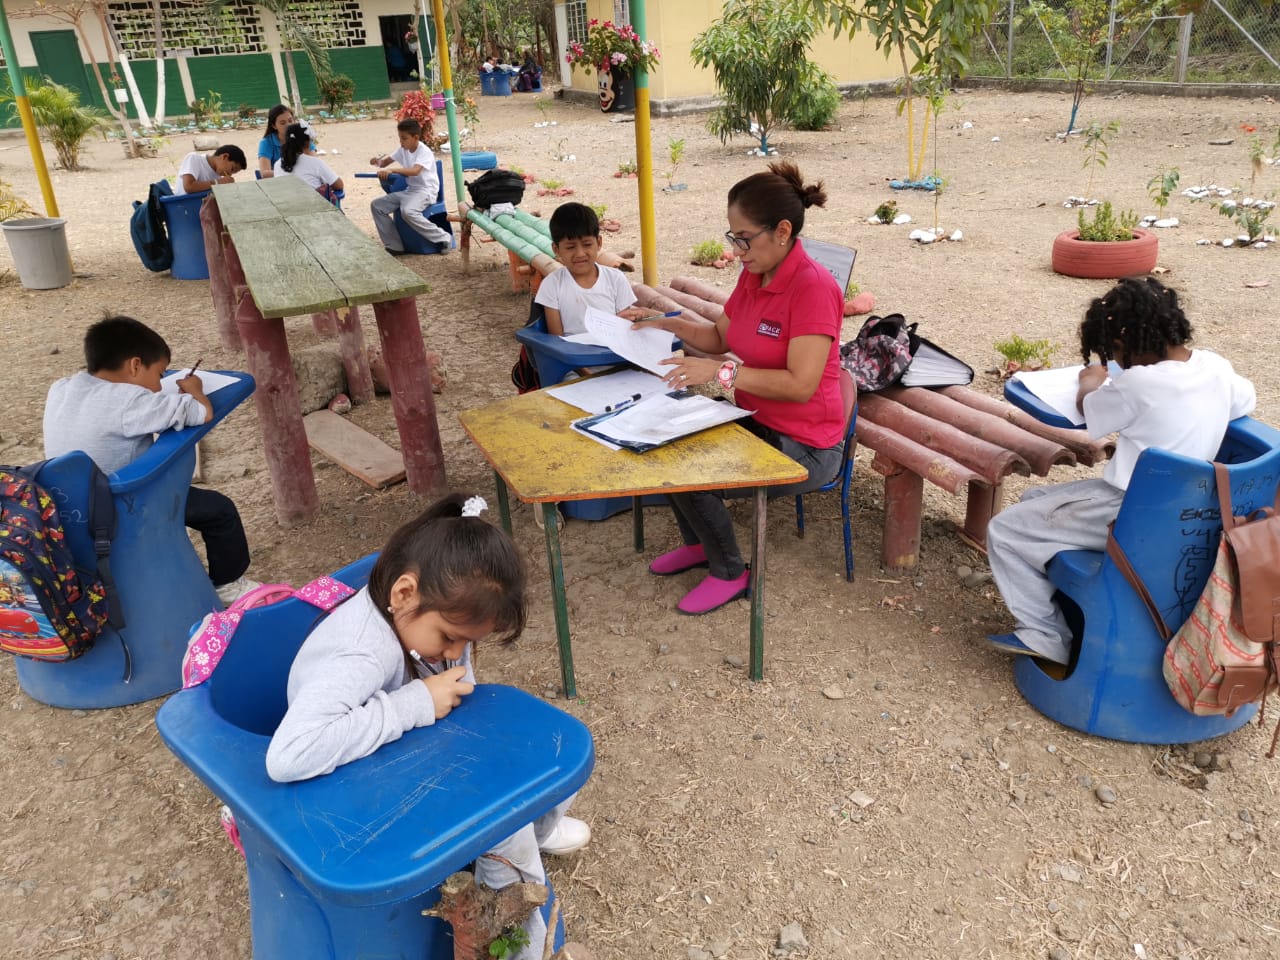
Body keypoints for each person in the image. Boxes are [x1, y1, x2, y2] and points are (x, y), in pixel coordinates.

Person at [265, 494, 590, 960]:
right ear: (403, 594)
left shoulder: (421, 612)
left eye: (468, 642)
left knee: (547, 763)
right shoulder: (361, 655)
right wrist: (415, 702)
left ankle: (534, 833)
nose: (456, 653)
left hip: (392, 751)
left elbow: (459, 687)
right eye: (450, 637)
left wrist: (441, 685)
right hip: (345, 790)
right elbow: (289, 755)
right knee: (504, 822)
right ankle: (522, 948)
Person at [985, 277, 1257, 664]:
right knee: (1036, 501)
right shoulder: (1215, 367)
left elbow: (1089, 415)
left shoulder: (1139, 383)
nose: (1117, 362)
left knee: (1006, 530)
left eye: (1115, 351)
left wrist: (1090, 381)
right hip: (1186, 511)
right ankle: (1064, 606)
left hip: (1127, 511)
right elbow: (1245, 400)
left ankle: (1047, 634)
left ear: (1132, 339)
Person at [632, 161, 847, 615]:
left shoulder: (813, 288)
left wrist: (719, 374)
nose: (735, 250)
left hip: (805, 443)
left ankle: (731, 572)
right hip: (756, 420)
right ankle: (699, 545)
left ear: (783, 231)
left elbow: (801, 385)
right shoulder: (754, 275)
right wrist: (658, 320)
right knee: (667, 443)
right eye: (732, 237)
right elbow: (719, 338)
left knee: (695, 474)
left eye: (743, 238)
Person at [42, 315, 259, 606]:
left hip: (66, 506)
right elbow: (200, 412)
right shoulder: (130, 402)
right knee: (220, 511)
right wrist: (194, 388)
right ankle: (228, 585)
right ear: (134, 365)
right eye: (159, 374)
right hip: (121, 505)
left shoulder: (61, 388)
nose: (159, 387)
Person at [535, 202, 646, 337]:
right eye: (570, 247)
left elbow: (625, 327)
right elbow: (556, 340)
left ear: (599, 243)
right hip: (571, 355)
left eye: (587, 244)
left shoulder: (616, 279)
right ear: (556, 250)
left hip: (613, 353)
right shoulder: (552, 285)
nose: (580, 253)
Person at [369, 118, 452, 254]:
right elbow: (384, 163)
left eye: (404, 138)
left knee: (408, 211)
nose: (401, 142)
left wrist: (393, 170)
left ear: (416, 137)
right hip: (410, 191)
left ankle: (443, 238)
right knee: (377, 206)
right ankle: (395, 246)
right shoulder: (403, 149)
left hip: (426, 192)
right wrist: (377, 162)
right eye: (400, 138)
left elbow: (414, 171)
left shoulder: (424, 151)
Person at [273, 121, 343, 202]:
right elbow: (339, 185)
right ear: (307, 142)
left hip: (287, 210)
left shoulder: (277, 165)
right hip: (314, 210)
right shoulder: (315, 163)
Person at [173, 144, 246, 195]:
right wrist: (218, 182)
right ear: (225, 156)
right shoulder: (194, 159)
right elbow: (189, 187)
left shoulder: (217, 177)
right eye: (232, 168)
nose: (230, 174)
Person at [257, 103, 297, 179]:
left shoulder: (302, 138)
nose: (288, 125)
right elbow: (264, 173)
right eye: (282, 123)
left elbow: (313, 162)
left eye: (290, 120)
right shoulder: (267, 143)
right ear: (274, 126)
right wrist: (290, 173)